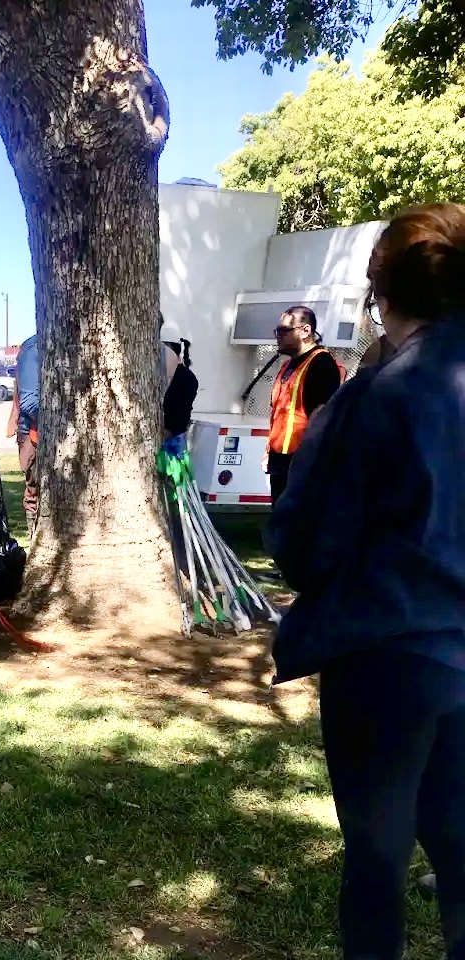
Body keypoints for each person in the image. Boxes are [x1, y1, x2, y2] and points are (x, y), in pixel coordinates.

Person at [268, 203, 465, 960]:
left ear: (383, 296)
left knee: (379, 861)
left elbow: (303, 539)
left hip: (391, 658)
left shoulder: (375, 397)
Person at [262, 305, 343, 501]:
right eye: (278, 331)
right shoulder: (288, 366)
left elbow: (322, 421)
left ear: (305, 331)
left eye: (284, 331)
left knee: (295, 524)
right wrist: (268, 452)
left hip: (301, 466)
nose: (278, 336)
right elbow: (279, 414)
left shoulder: (321, 365)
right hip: (280, 460)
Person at [5, 334, 39, 528]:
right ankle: (35, 541)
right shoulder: (33, 349)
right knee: (35, 495)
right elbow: (29, 403)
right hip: (33, 435)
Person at [160, 318, 198, 441]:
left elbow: (180, 413)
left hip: (172, 438)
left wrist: (168, 431)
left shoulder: (185, 379)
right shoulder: (188, 377)